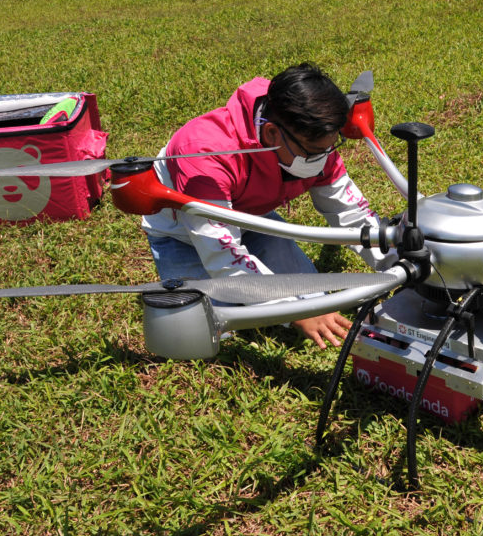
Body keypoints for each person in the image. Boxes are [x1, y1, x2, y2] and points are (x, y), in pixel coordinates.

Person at [142, 63, 394, 349]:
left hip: (254, 220)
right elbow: (222, 255)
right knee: (207, 335)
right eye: (313, 152)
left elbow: (351, 215)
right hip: (181, 237)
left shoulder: (314, 133)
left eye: (330, 147)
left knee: (315, 298)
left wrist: (396, 262)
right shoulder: (204, 155)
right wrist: (297, 313)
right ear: (272, 133)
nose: (323, 159)